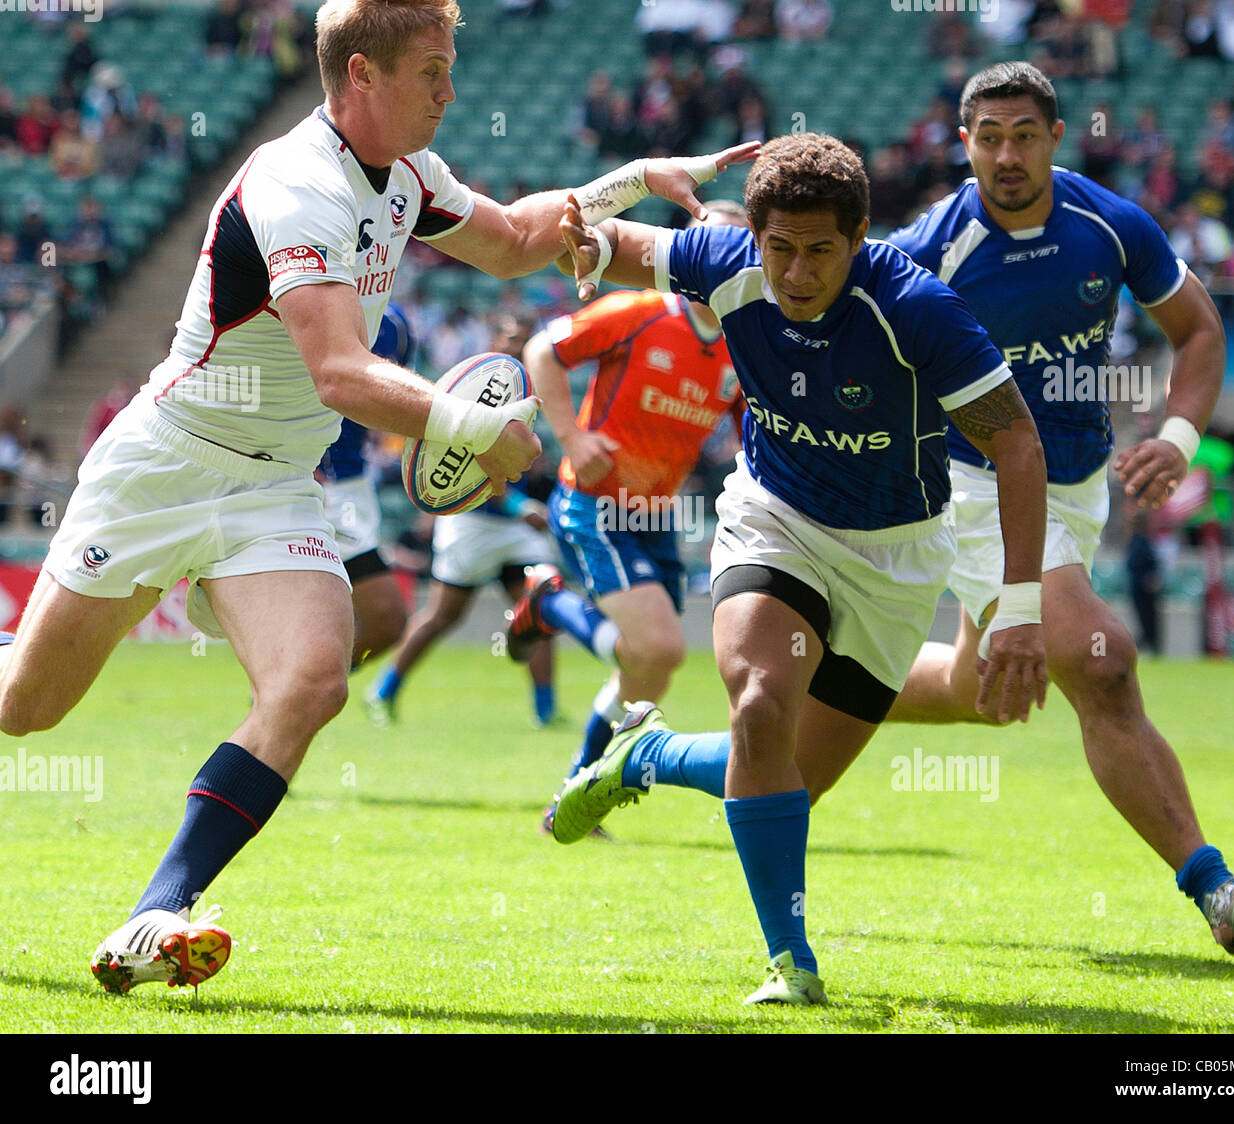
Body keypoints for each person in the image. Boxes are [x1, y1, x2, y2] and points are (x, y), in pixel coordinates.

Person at [0, 0, 755, 997]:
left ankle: (157, 910)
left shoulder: (404, 173)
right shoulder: (295, 184)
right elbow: (341, 372)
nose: (451, 92)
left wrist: (630, 190)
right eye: (433, 72)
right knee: (26, 709)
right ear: (364, 75)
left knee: (314, 677)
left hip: (274, 482)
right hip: (168, 465)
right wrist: (483, 428)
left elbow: (521, 239)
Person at [550, 132, 1050, 1005]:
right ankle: (792, 963)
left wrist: (1019, 607)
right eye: (780, 247)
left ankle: (646, 757)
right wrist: (595, 226)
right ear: (758, 236)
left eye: (821, 250)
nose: (797, 271)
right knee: (758, 707)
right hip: (774, 520)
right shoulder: (725, 257)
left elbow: (1015, 441)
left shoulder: (917, 308)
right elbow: (596, 237)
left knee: (788, 782)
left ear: (859, 238)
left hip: (899, 557)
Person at [881, 61, 1234, 962]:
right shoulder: (933, 242)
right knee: (1102, 663)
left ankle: (807, 700)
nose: (1006, 154)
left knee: (978, 696)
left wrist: (1177, 434)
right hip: (971, 484)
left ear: (1058, 137)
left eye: (1024, 134)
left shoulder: (1108, 222)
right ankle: (1212, 885)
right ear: (963, 142)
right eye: (988, 137)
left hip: (1077, 484)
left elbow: (1201, 330)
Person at [504, 201, 748, 835]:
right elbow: (542, 350)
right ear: (689, 251)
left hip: (656, 513)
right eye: (711, 246)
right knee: (661, 647)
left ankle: (574, 793)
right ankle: (550, 602)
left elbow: (751, 430)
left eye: (738, 248)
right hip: (594, 503)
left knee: (651, 670)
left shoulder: (740, 348)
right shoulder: (641, 312)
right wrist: (571, 439)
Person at [366, 311, 563, 729]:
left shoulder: (532, 390)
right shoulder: (471, 387)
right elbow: (465, 468)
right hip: (472, 522)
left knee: (538, 609)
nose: (518, 347)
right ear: (493, 338)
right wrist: (519, 507)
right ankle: (383, 691)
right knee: (442, 616)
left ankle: (546, 712)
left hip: (514, 528)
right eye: (511, 336)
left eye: (526, 340)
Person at [319, 303, 414, 669]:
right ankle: (296, 694)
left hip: (354, 488)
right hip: (304, 483)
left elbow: (397, 405)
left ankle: (297, 694)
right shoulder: (300, 302)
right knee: (386, 616)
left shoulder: (396, 324)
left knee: (386, 622)